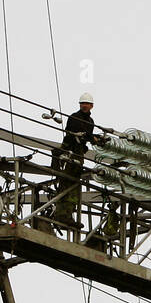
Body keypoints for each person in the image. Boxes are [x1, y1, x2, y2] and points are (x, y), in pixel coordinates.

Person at [49, 93, 101, 228]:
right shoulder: (74, 117)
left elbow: (86, 135)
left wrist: (95, 139)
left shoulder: (90, 122)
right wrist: (91, 137)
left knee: (74, 184)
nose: (84, 106)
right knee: (66, 182)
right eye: (82, 103)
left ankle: (68, 214)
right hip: (69, 153)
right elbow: (76, 132)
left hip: (78, 154)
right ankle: (61, 214)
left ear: (91, 106)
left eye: (86, 104)